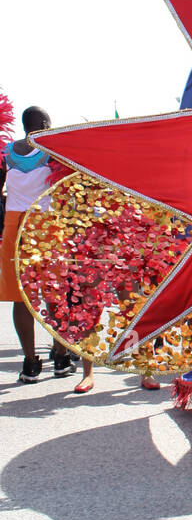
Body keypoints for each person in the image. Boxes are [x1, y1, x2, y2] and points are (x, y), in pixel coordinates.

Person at [0, 106, 77, 384]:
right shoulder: (51, 152)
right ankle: (60, 357)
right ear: (44, 124)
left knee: (21, 297)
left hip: (13, 226)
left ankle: (30, 363)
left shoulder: (5, 154)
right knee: (54, 293)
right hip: (45, 224)